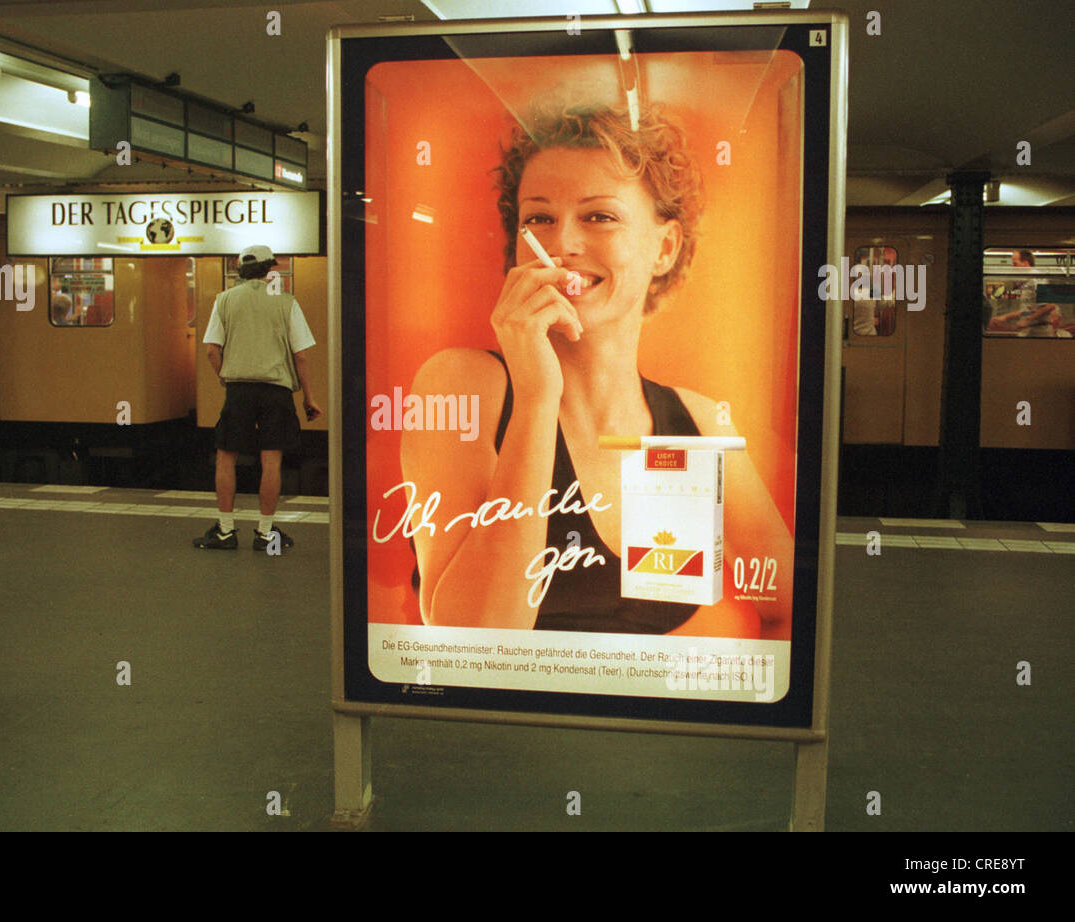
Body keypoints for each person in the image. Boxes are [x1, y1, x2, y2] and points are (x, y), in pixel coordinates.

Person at [402, 102, 793, 637]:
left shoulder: (697, 425)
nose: (561, 244)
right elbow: (475, 639)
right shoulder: (463, 385)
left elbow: (791, 604)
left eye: (599, 216)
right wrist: (537, 401)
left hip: (645, 719)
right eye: (538, 218)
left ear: (665, 247)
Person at [195, 244, 322, 552]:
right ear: (270, 269)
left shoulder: (224, 300)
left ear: (240, 270)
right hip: (276, 391)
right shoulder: (286, 302)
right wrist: (309, 397)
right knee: (271, 460)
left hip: (239, 389)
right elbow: (301, 355)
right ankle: (265, 534)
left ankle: (225, 531)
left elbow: (212, 349)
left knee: (226, 456)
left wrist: (225, 376)